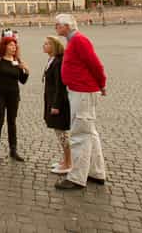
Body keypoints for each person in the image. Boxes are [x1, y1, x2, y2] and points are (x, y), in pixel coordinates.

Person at [53, 14, 107, 190]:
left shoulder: (79, 40)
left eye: (57, 25)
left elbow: (95, 64)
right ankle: (96, 172)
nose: (56, 28)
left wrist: (102, 83)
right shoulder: (74, 41)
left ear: (67, 26)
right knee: (90, 133)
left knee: (80, 134)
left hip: (82, 91)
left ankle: (76, 178)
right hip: (80, 90)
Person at [42, 35, 71, 174]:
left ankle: (68, 162)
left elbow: (60, 85)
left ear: (54, 46)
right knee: (59, 133)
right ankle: (65, 159)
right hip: (51, 98)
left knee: (62, 133)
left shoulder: (58, 62)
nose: (44, 46)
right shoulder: (52, 59)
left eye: (47, 44)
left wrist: (56, 105)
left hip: (57, 101)